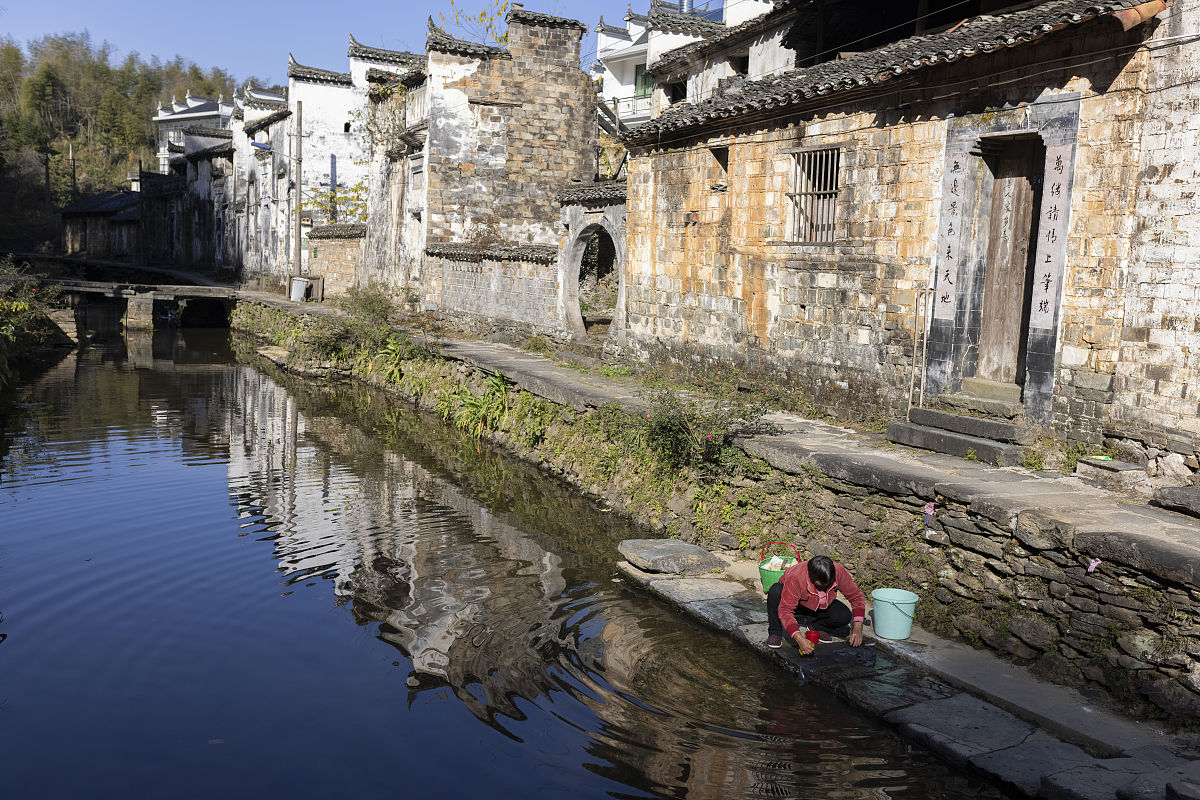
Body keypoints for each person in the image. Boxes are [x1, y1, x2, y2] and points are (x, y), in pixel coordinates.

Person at [766, 555, 865, 653]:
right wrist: (799, 638)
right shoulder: (796, 576)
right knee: (775, 591)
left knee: (844, 615)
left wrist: (857, 627)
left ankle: (816, 626)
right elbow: (785, 610)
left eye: (829, 583)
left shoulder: (838, 571)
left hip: (818, 605)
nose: (825, 586)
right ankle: (775, 632)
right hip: (792, 601)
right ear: (812, 577)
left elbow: (856, 597)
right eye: (822, 584)